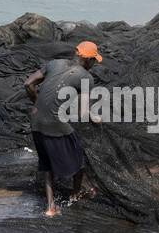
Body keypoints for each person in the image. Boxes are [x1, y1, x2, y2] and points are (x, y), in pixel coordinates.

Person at [24, 41, 103, 218]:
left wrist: (37, 102)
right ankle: (75, 195)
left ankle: (50, 208)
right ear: (88, 60)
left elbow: (28, 84)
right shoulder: (86, 78)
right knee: (79, 160)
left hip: (36, 120)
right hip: (56, 122)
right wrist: (95, 118)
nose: (94, 64)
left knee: (47, 166)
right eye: (94, 61)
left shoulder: (54, 63)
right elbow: (83, 112)